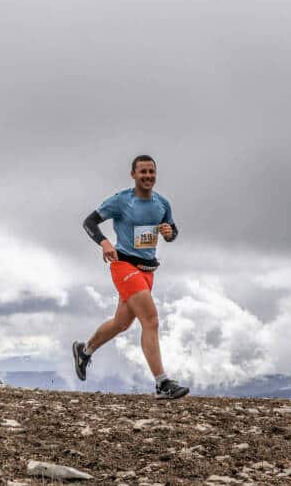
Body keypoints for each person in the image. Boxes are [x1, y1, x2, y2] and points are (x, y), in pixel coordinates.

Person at [72, 154, 189, 400]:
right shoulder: (121, 200)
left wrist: (170, 233)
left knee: (121, 324)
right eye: (143, 172)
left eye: (151, 172)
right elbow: (89, 221)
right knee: (151, 320)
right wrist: (104, 242)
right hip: (123, 265)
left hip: (148, 271)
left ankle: (85, 350)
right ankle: (162, 383)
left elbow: (171, 230)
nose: (148, 176)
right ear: (133, 175)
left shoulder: (162, 203)